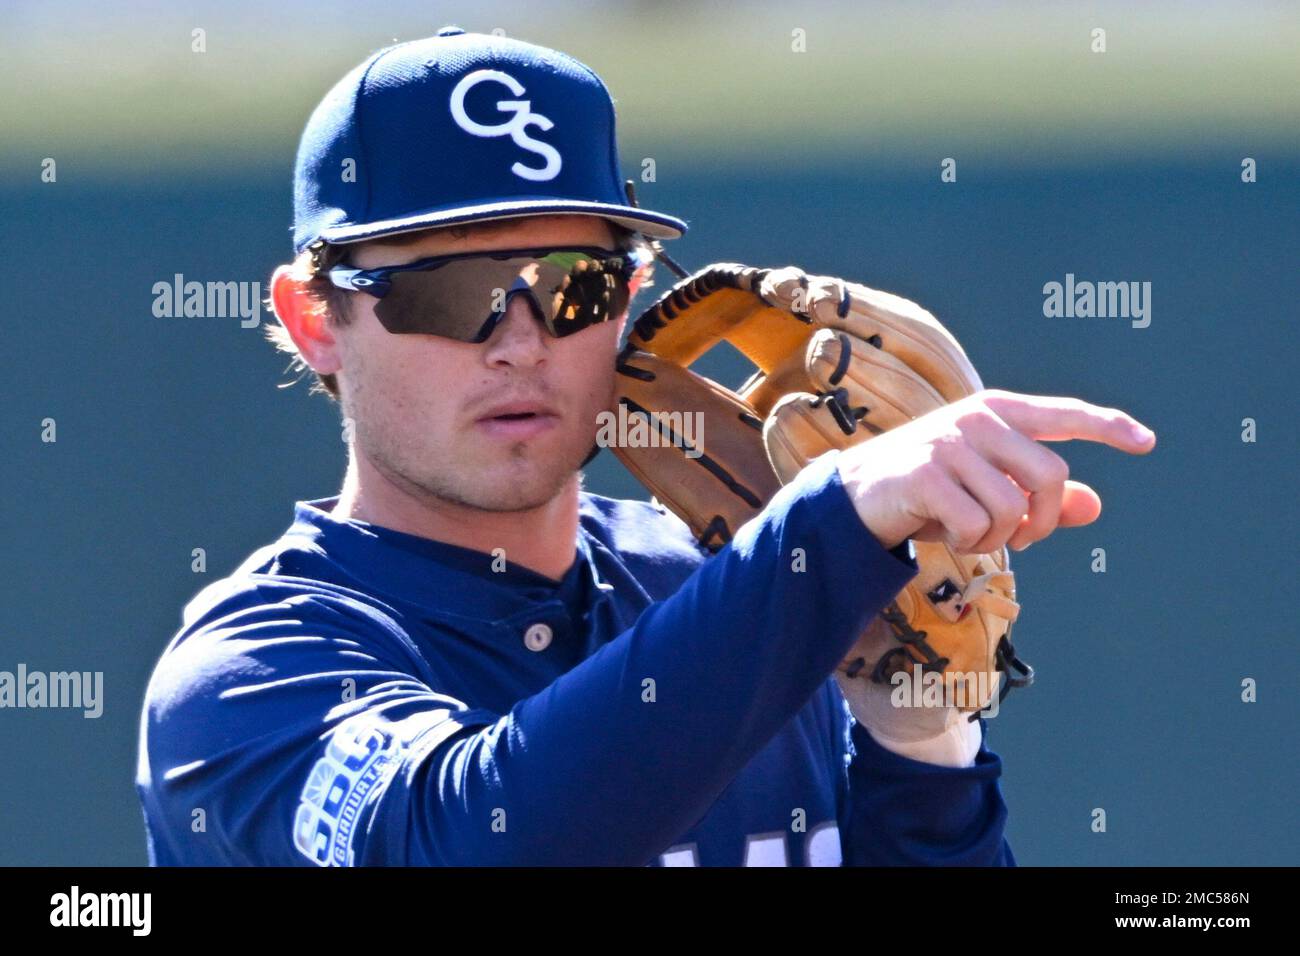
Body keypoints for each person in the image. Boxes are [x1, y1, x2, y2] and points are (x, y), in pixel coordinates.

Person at [135, 28, 1155, 866]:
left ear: (626, 300)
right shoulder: (252, 675)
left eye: (574, 282)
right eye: (453, 290)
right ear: (315, 318)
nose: (522, 342)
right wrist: (824, 535)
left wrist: (919, 743)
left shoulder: (731, 594)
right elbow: (471, 841)